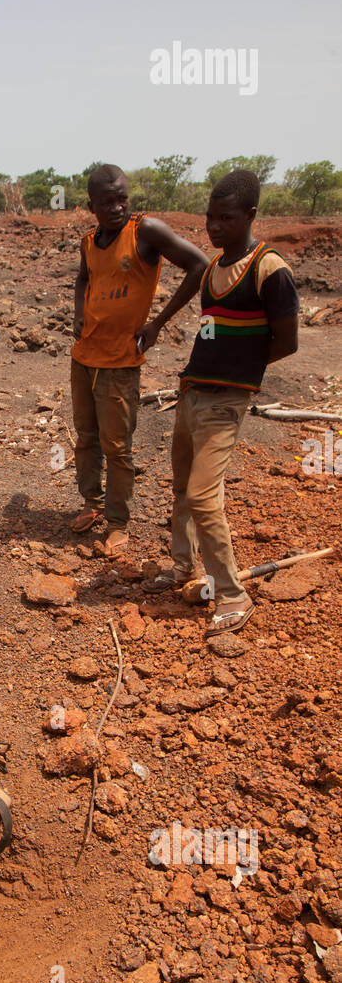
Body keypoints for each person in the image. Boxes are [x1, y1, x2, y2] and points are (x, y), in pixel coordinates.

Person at [144, 169, 299, 635]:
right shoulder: (212, 268)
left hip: (225, 400)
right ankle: (181, 566)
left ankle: (231, 593)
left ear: (250, 215)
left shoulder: (271, 270)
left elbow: (286, 342)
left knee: (203, 496)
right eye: (210, 218)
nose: (214, 226)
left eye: (225, 218)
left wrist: (241, 374)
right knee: (181, 488)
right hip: (191, 391)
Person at [71, 164, 208, 555]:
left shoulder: (145, 231)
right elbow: (83, 278)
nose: (116, 207)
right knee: (86, 438)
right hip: (84, 357)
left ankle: (118, 522)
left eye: (122, 199)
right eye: (107, 201)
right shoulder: (88, 240)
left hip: (120, 362)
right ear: (91, 205)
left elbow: (198, 265)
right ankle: (91, 504)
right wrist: (79, 312)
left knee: (117, 447)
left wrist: (159, 323)